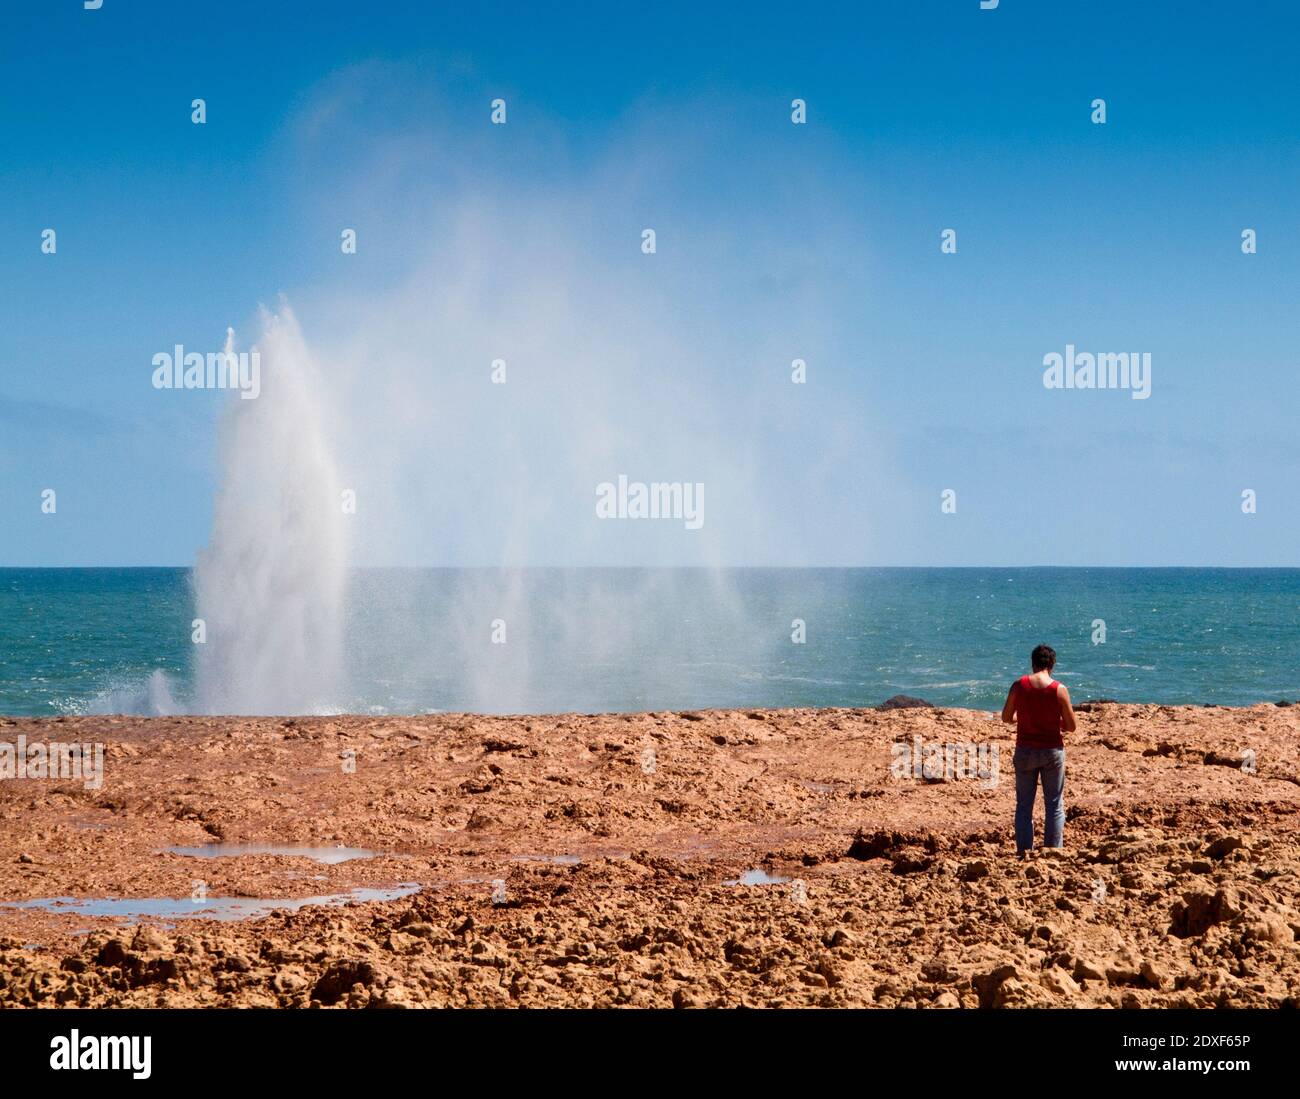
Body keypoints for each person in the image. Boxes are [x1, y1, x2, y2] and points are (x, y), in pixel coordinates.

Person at [1000, 644, 1076, 854]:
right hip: (1052, 751)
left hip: (1025, 750)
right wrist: (1054, 723)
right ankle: (1052, 850)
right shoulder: (1059, 690)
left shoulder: (1019, 686)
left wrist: (1022, 718)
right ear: (1052, 664)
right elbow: (1071, 726)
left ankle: (1024, 851)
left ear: (1033, 663)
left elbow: (1006, 717)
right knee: (1054, 805)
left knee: (1024, 806)